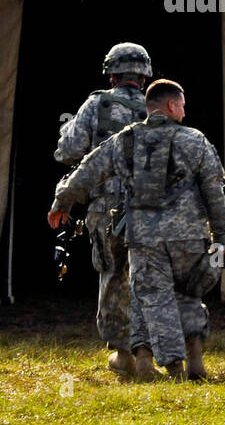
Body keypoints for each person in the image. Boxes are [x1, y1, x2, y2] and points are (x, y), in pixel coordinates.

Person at [51, 80, 225, 381]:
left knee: (154, 298)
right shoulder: (196, 140)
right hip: (190, 238)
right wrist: (222, 237)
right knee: (191, 292)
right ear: (171, 106)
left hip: (145, 240)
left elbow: (88, 171)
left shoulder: (125, 141)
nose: (185, 112)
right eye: (183, 106)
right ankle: (196, 360)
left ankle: (173, 367)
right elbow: (215, 191)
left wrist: (62, 202)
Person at [50, 43, 150, 376]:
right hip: (152, 209)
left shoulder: (97, 104)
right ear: (145, 74)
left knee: (112, 276)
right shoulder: (160, 106)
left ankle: (122, 355)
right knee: (149, 279)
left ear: (112, 74)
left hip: (106, 207)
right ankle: (147, 352)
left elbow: (69, 150)